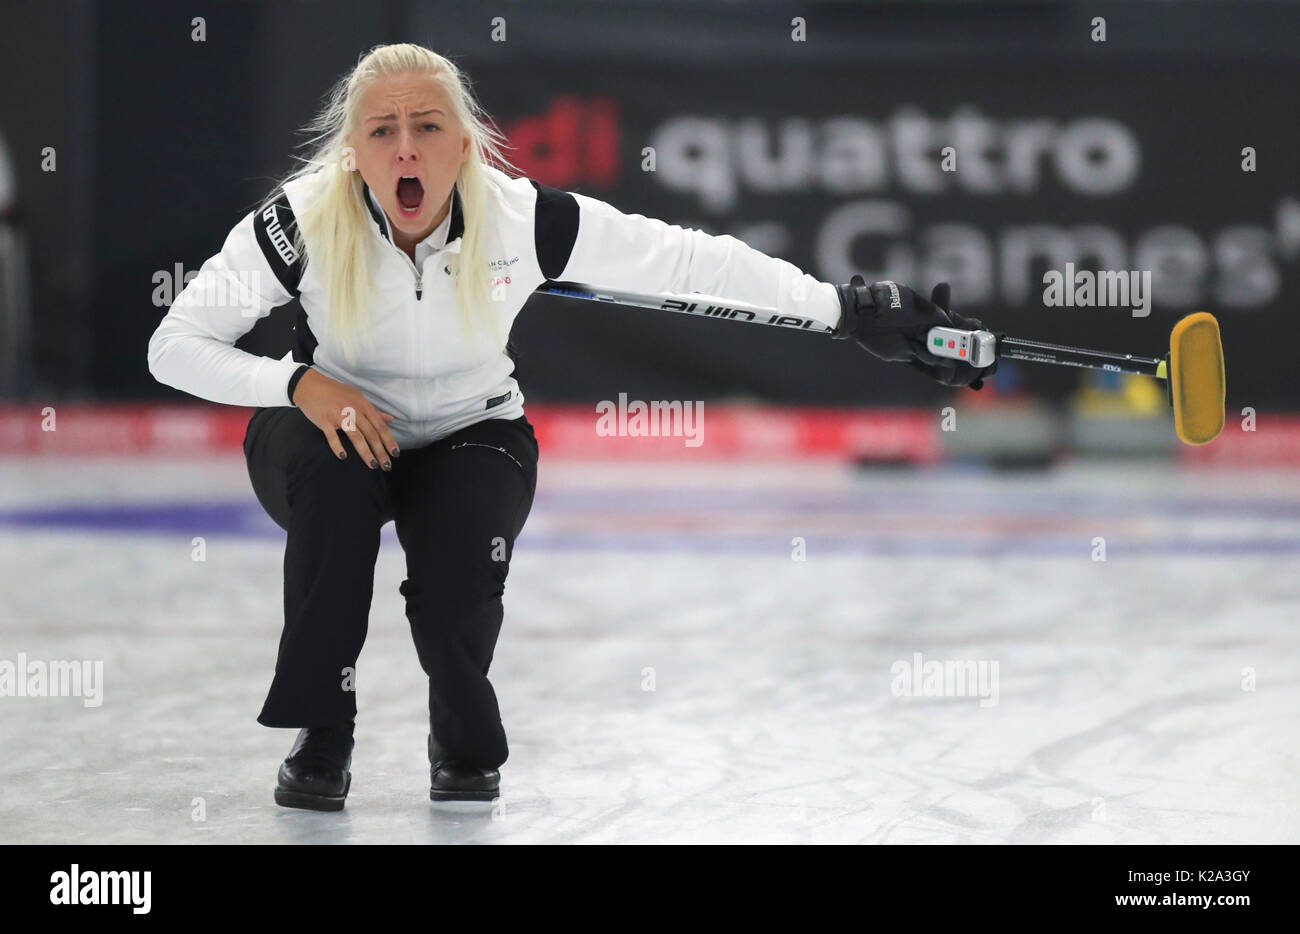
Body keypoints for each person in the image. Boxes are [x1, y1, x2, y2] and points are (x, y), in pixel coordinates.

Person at [146, 42, 993, 811]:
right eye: (382, 130)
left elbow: (693, 260)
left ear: (465, 145)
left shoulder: (525, 219)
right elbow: (173, 346)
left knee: (451, 606)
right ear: (353, 150)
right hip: (329, 431)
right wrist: (297, 384)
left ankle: (462, 735)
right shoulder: (300, 220)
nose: (405, 147)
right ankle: (323, 733)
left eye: (427, 126)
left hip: (472, 432)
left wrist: (845, 310)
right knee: (333, 492)